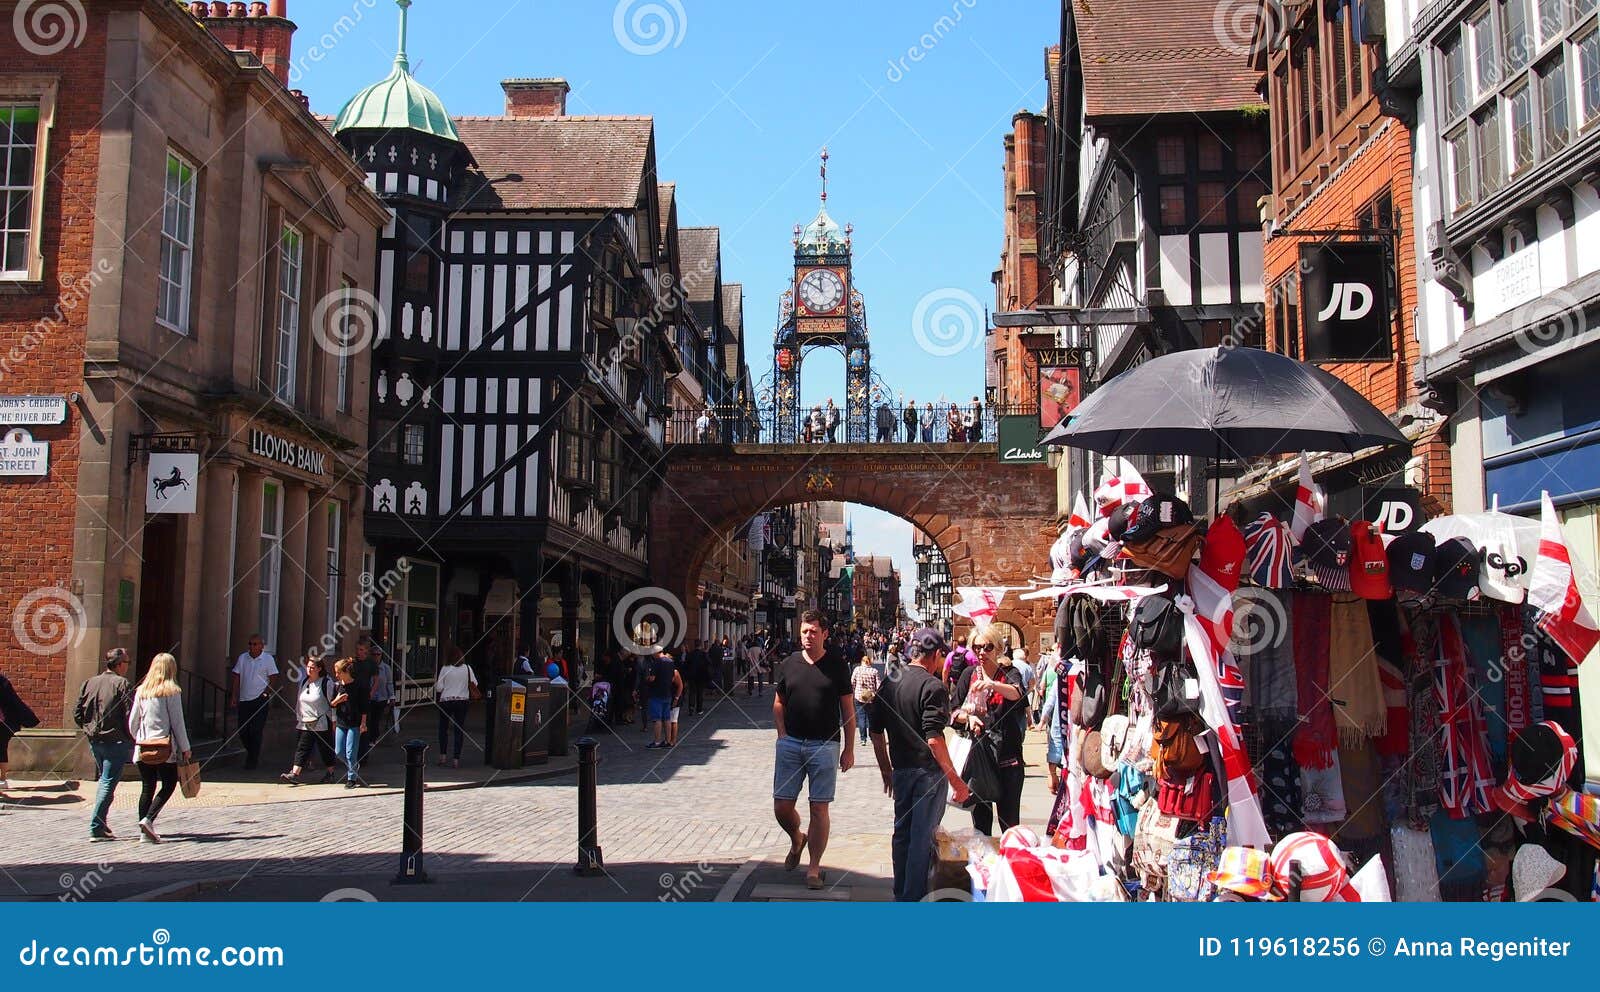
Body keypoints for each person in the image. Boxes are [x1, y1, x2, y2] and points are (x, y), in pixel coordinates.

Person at [867, 627, 971, 902]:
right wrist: (956, 782)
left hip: (901, 770)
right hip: (927, 773)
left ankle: (900, 893)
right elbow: (935, 740)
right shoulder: (933, 685)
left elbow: (875, 730)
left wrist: (885, 768)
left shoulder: (891, 679)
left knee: (902, 834)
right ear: (936, 654)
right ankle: (913, 898)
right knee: (921, 839)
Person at [773, 609, 855, 890]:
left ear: (825, 634)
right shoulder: (789, 663)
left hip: (825, 744)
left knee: (819, 808)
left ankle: (814, 867)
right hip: (791, 743)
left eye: (813, 631)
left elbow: (848, 709)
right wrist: (782, 735)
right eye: (804, 631)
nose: (808, 636)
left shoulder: (837, 665)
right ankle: (797, 838)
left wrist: (849, 748)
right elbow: (778, 702)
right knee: (782, 807)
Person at [951, 631, 1027, 835]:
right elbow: (953, 710)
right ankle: (984, 864)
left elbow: (1018, 694)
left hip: (1008, 758)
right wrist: (967, 718)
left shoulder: (1010, 673)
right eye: (977, 647)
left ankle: (1010, 863)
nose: (981, 652)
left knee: (1010, 823)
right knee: (981, 825)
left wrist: (993, 684)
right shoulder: (969, 674)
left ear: (997, 648)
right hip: (980, 760)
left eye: (987, 647)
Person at [126, 653, 191, 843]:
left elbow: (132, 723)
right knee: (169, 784)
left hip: (144, 747)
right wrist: (185, 747)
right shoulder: (172, 692)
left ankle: (143, 832)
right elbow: (178, 723)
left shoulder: (141, 691)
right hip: (165, 748)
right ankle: (148, 819)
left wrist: (140, 738)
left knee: (147, 787)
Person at [74, 648, 134, 840]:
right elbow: (129, 714)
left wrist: (89, 729)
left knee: (104, 780)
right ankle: (97, 826)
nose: (127, 666)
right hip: (115, 741)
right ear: (118, 664)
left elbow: (77, 712)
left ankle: (101, 824)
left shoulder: (89, 682)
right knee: (108, 782)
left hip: (95, 740)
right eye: (127, 662)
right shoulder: (122, 683)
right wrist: (130, 736)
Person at [280, 657, 338, 785]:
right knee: (302, 748)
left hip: (322, 721)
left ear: (319, 669)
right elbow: (299, 700)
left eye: (312, 667)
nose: (309, 669)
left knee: (325, 748)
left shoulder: (326, 683)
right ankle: (294, 773)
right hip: (306, 721)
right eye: (308, 667)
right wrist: (299, 717)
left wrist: (334, 721)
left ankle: (330, 772)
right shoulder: (304, 681)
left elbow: (333, 703)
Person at [229, 634, 278, 771]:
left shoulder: (267, 659)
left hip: (259, 699)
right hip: (244, 699)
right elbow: (237, 676)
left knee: (256, 730)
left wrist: (267, 692)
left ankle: (252, 759)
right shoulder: (243, 658)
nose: (252, 647)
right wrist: (234, 695)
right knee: (243, 730)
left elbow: (273, 676)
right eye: (250, 644)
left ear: (262, 646)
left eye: (255, 644)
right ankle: (252, 752)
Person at [433, 648, 478, 768]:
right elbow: (475, 684)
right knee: (459, 730)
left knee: (443, 729)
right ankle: (456, 760)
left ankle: (443, 756)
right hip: (462, 701)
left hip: (446, 701)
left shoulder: (445, 669)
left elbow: (439, 688)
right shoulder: (467, 668)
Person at [330, 657, 369, 788]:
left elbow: (364, 706)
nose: (336, 675)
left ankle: (351, 778)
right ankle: (354, 765)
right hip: (341, 722)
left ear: (346, 671)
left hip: (355, 722)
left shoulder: (359, 685)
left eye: (338, 672)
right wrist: (338, 700)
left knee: (350, 751)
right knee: (339, 751)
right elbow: (332, 704)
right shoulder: (337, 686)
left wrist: (363, 723)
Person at [644, 645, 678, 749]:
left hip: (656, 693)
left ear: (656, 653)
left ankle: (657, 741)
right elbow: (673, 678)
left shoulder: (657, 662)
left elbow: (652, 678)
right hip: (667, 693)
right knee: (667, 719)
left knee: (657, 719)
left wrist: (648, 679)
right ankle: (668, 741)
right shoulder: (670, 662)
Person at [850, 655, 880, 746]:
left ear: (862, 661)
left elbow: (852, 682)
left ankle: (863, 739)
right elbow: (878, 685)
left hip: (859, 696)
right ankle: (872, 737)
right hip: (871, 697)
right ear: (869, 662)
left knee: (861, 718)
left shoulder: (857, 670)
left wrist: (855, 691)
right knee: (871, 718)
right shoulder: (874, 671)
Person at [685, 640, 709, 715]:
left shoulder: (690, 654)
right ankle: (699, 709)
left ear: (694, 645)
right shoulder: (703, 654)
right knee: (700, 693)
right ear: (700, 645)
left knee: (692, 692)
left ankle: (691, 708)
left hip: (692, 676)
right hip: (701, 676)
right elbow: (708, 664)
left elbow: (686, 665)